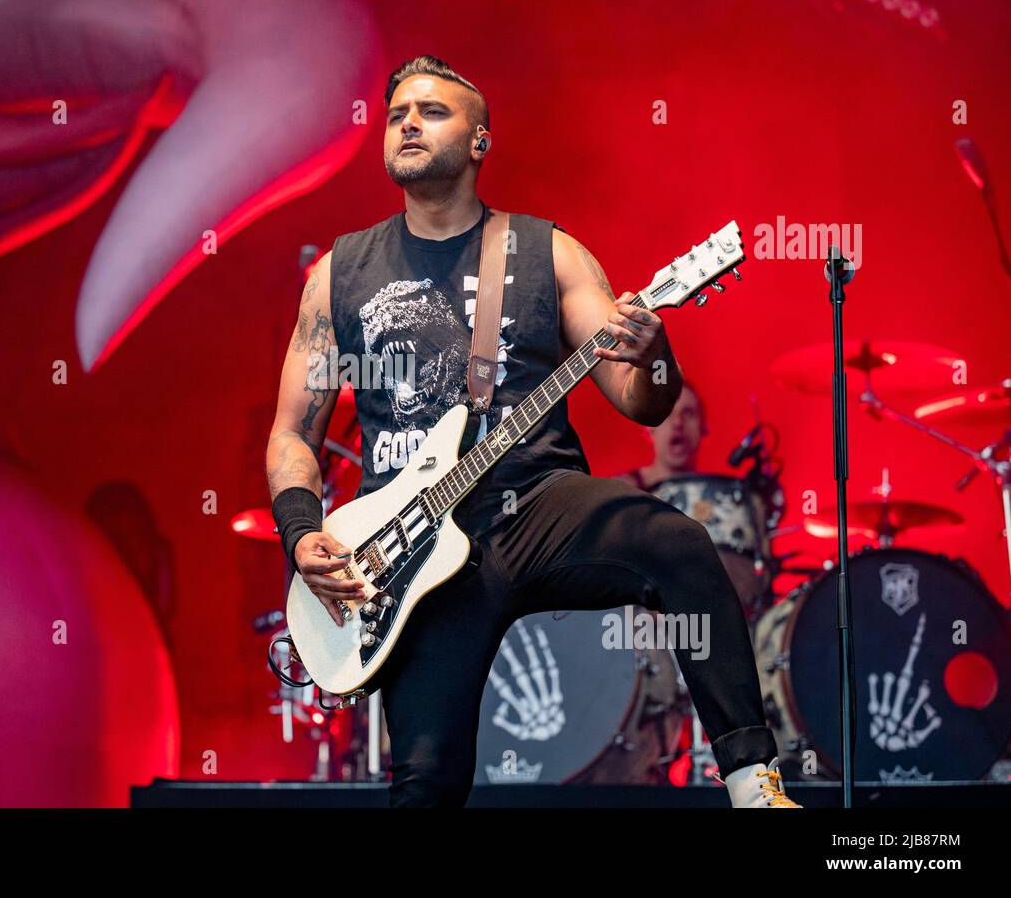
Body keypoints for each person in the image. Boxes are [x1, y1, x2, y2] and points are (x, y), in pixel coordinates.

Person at [265, 55, 798, 808]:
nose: (408, 122)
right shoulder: (339, 273)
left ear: (481, 141)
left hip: (533, 501)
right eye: (396, 114)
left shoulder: (547, 252)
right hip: (403, 546)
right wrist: (300, 532)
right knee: (425, 780)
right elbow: (294, 432)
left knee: (678, 545)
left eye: (433, 111)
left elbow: (639, 401)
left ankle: (752, 783)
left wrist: (653, 355)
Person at [614, 380, 707, 492]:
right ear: (650, 426)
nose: (678, 422)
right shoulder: (621, 491)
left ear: (703, 427)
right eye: (667, 412)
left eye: (688, 413)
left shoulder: (718, 497)